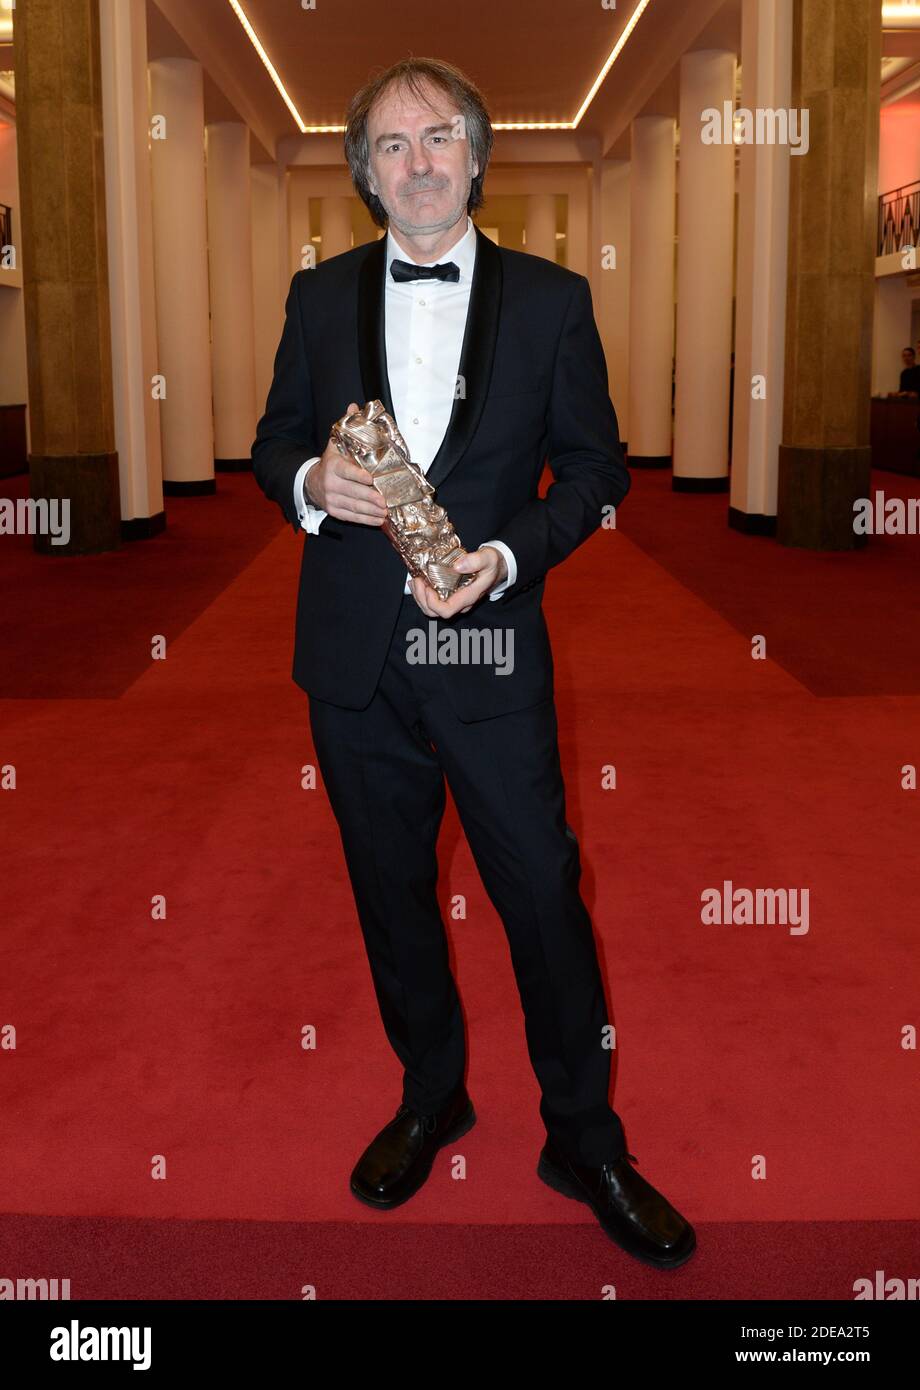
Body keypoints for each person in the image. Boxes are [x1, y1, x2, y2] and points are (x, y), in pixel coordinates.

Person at [251, 56, 695, 1269]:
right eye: (390, 145)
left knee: (542, 897)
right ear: (363, 175)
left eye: (437, 135)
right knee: (388, 892)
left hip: (492, 649)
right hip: (353, 659)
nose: (418, 161)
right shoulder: (317, 296)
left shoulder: (552, 300)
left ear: (477, 152)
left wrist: (502, 557)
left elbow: (595, 473)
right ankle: (430, 1089)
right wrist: (307, 485)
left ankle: (585, 1137)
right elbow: (272, 441)